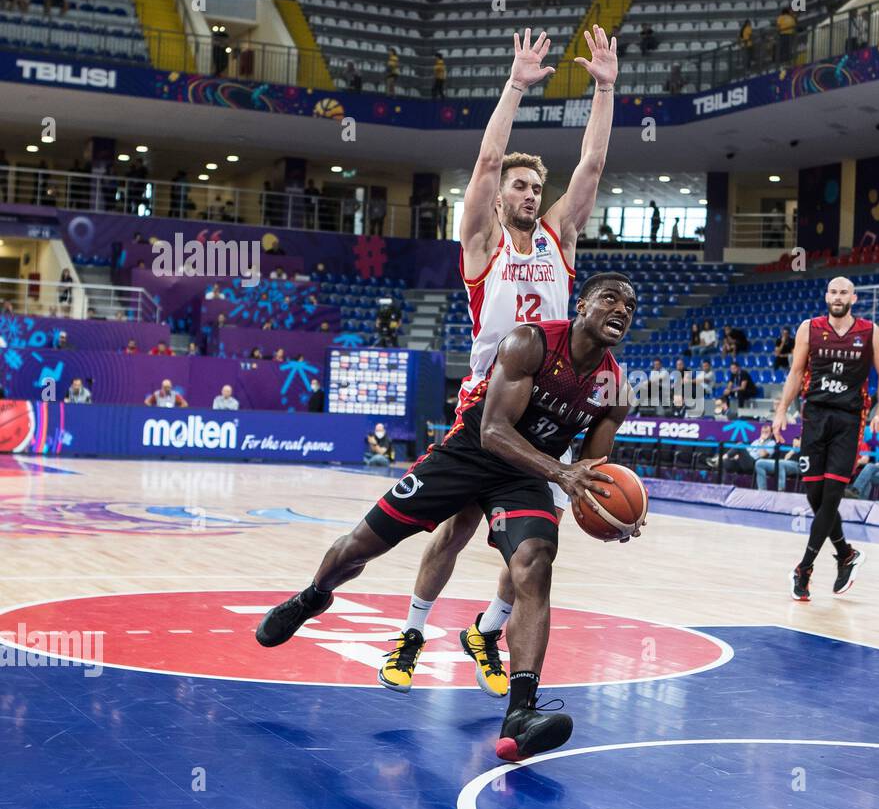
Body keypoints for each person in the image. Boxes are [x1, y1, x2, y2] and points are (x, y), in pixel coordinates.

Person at [255, 278, 636, 763]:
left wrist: (612, 515)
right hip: (471, 454)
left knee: (536, 562)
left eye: (630, 305)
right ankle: (313, 596)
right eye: (610, 298)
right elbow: (495, 431)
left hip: (522, 477)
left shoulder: (615, 389)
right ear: (581, 305)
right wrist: (560, 471)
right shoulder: (531, 341)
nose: (621, 309)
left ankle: (521, 713)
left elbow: (592, 473)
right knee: (361, 546)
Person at [352, 25, 620, 697]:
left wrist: (606, 89)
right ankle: (411, 634)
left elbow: (590, 167)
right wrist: (514, 86)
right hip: (487, 408)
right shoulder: (482, 247)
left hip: (549, 414)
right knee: (453, 532)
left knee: (533, 546)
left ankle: (488, 632)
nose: (531, 193)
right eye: (521, 186)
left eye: (536, 186)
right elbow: (484, 162)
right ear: (501, 199)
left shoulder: (560, 240)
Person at [773, 276, 879, 600]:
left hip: (849, 420)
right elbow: (796, 372)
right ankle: (845, 554)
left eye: (844, 292)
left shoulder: (870, 331)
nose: (838, 297)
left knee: (832, 495)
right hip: (814, 416)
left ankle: (804, 568)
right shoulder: (808, 328)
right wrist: (782, 410)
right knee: (814, 494)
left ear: (853, 298)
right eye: (833, 292)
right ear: (826, 296)